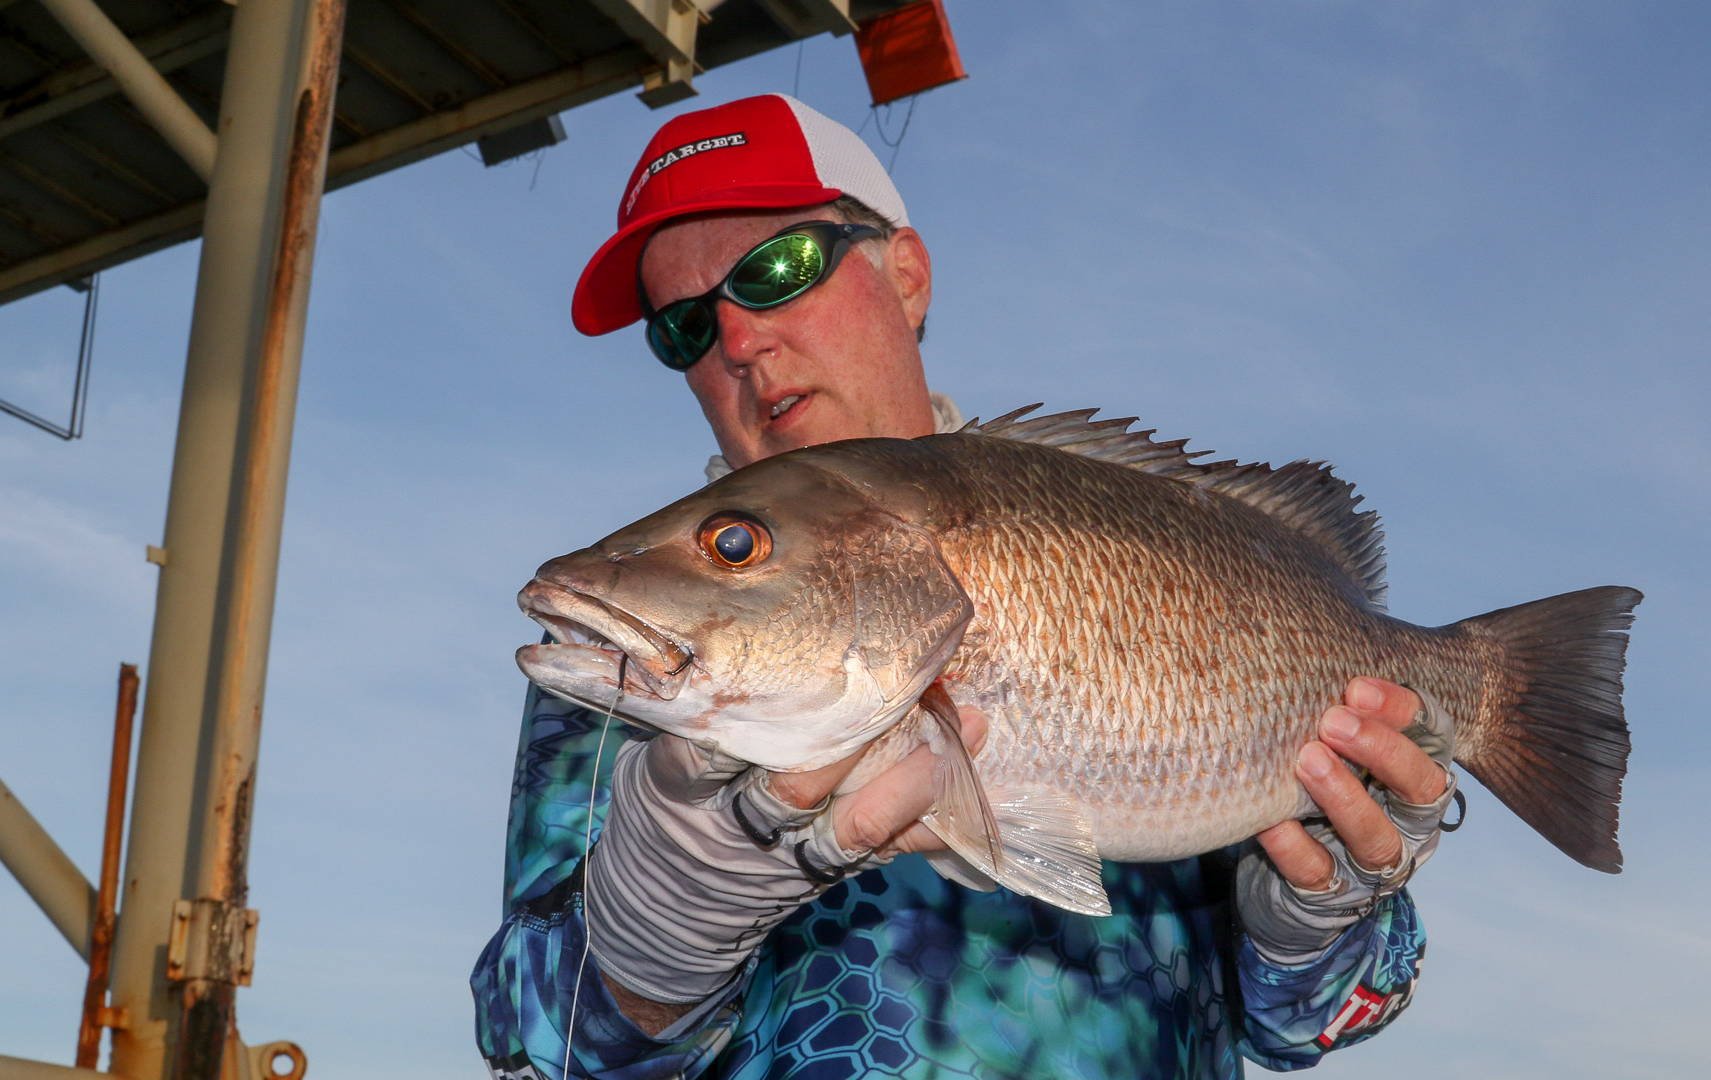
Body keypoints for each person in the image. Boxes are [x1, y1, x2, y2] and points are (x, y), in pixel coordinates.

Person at [471, 94, 1457, 1080]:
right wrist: (650, 953)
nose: (736, 340)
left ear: (906, 273)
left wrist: (1314, 929)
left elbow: (1310, 1027)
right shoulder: (637, 662)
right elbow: (534, 1053)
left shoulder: (1142, 538)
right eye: (681, 326)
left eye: (776, 272)